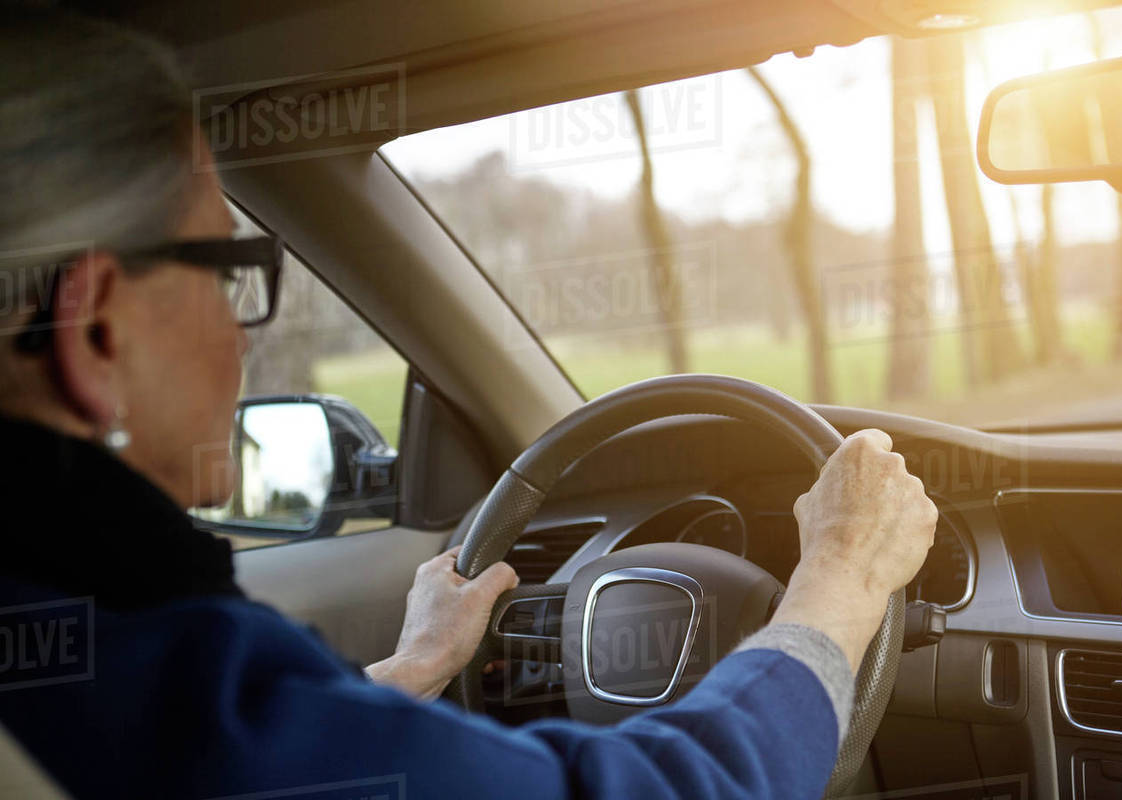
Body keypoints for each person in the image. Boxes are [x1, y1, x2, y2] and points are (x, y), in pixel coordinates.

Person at [0, 8, 937, 799]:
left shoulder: (83, 660)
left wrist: (413, 669)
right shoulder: (147, 667)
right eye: (227, 273)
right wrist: (841, 582)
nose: (242, 332)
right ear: (98, 334)